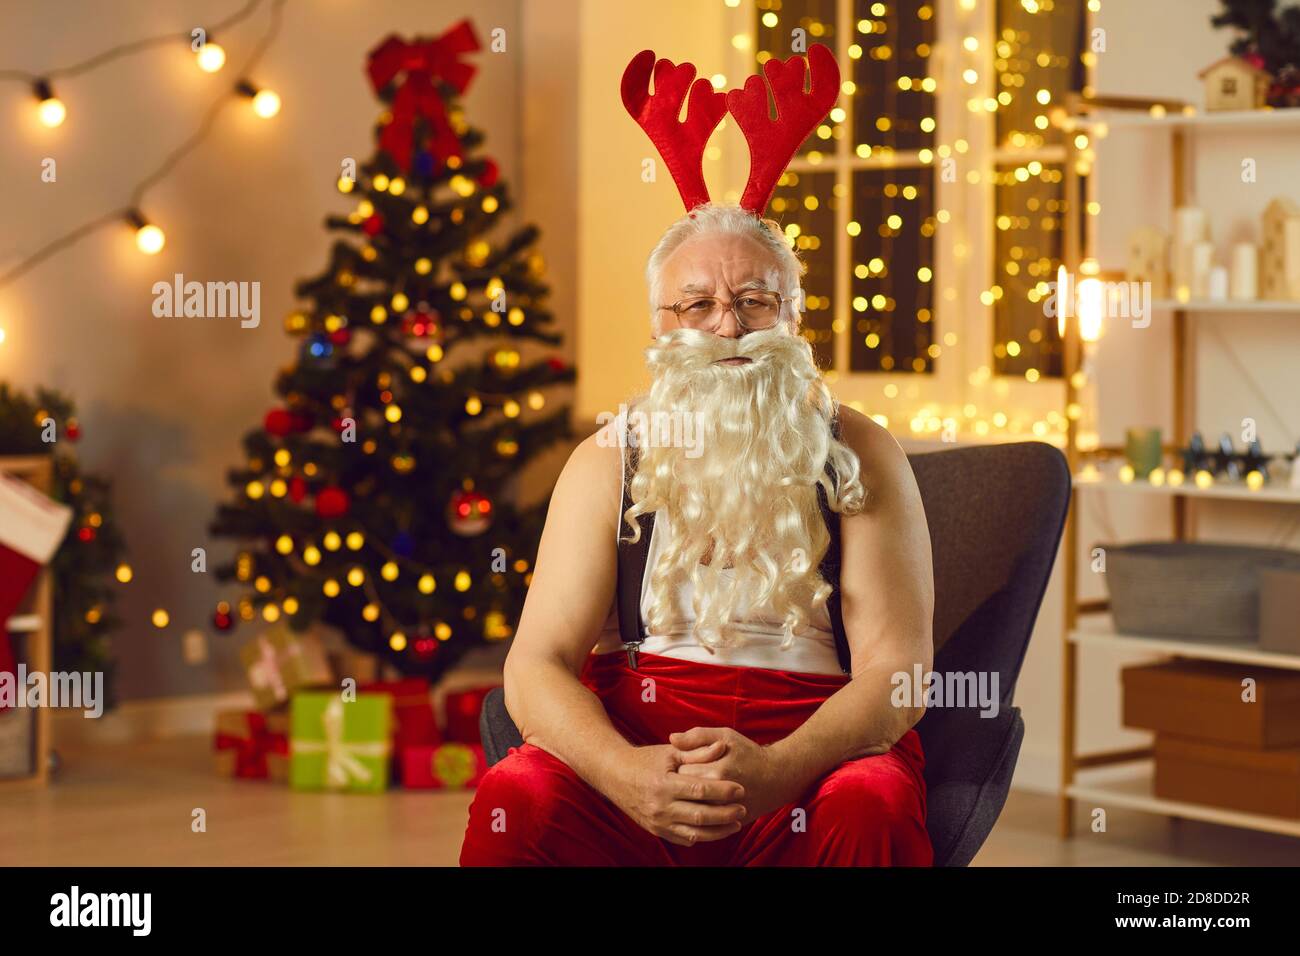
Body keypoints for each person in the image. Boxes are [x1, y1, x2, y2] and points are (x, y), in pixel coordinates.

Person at [459, 202, 935, 866]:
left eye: (755, 302)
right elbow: (535, 664)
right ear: (661, 325)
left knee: (869, 807)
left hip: (810, 763)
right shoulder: (609, 459)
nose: (729, 327)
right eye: (697, 306)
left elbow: (900, 671)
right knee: (519, 800)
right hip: (638, 759)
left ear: (793, 316)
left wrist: (780, 768)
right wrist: (622, 772)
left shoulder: (861, 450)